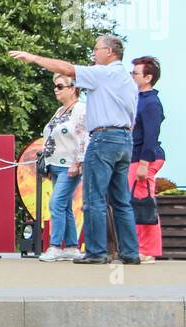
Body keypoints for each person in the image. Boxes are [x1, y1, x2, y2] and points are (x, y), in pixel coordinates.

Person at [9, 34, 140, 264]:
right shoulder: (128, 80)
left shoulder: (103, 73)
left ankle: (96, 252)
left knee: (94, 199)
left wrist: (33, 58)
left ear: (109, 52)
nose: (93, 53)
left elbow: (67, 69)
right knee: (121, 201)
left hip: (104, 138)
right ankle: (130, 252)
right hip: (124, 139)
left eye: (96, 49)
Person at [38, 74, 88, 261]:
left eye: (60, 86)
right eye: (55, 86)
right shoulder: (60, 111)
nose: (56, 89)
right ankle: (72, 246)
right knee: (64, 205)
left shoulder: (80, 109)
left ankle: (56, 245)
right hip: (55, 164)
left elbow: (84, 137)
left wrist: (78, 161)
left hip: (70, 165)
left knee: (56, 203)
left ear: (73, 88)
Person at [130, 56, 165, 263]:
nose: (132, 76)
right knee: (134, 202)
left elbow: (152, 134)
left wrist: (144, 164)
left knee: (143, 203)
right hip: (134, 157)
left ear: (148, 77)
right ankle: (138, 247)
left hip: (144, 158)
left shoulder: (151, 102)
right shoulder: (138, 99)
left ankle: (148, 250)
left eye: (135, 73)